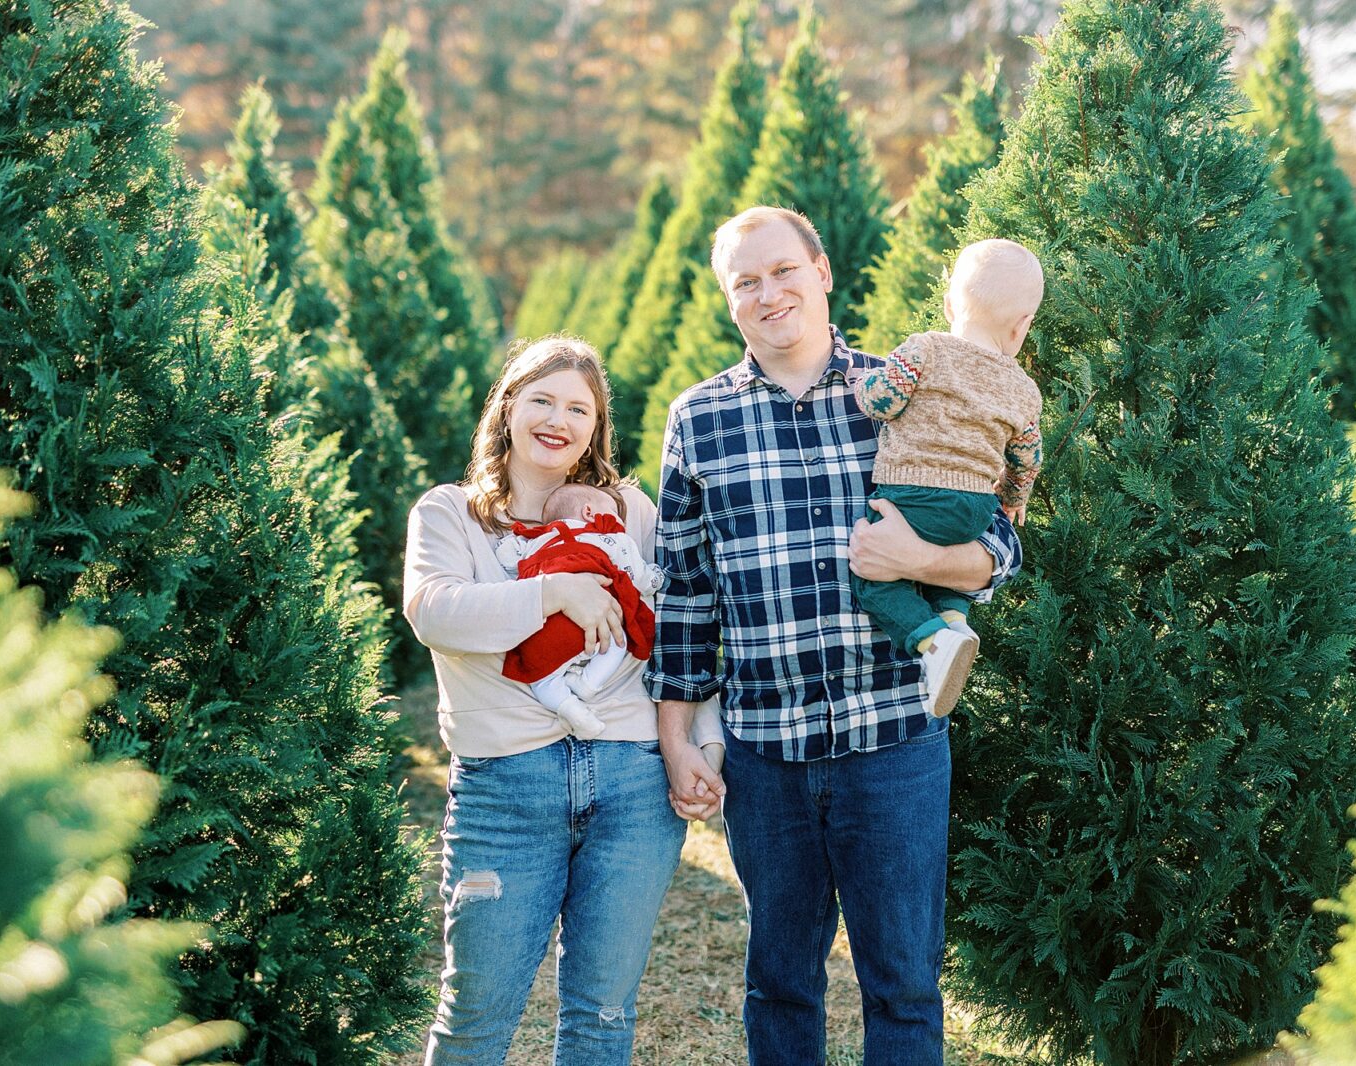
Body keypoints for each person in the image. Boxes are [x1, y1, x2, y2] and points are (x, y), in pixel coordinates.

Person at [648, 206, 1023, 1066]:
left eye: (784, 270)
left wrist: (925, 558)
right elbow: (685, 593)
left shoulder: (906, 387)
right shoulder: (699, 419)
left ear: (821, 272)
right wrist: (677, 740)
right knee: (780, 983)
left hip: (894, 741)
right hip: (765, 755)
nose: (768, 293)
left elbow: (1001, 537)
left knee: (904, 987)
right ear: (728, 299)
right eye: (746, 281)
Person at [404, 336, 690, 1065]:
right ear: (507, 408)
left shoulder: (629, 510)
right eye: (541, 400)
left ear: (597, 428)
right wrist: (553, 591)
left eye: (578, 409)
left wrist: (702, 744)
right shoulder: (451, 514)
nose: (558, 420)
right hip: (506, 789)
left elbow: (679, 633)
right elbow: (434, 611)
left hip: (632, 784)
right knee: (475, 1016)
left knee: (603, 1013)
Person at [849, 238, 1044, 717]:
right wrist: (1013, 497)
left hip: (912, 496)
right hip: (975, 508)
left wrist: (861, 385)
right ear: (1022, 326)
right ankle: (955, 620)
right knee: (944, 561)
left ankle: (933, 643)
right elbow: (1027, 457)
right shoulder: (1024, 389)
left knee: (874, 580)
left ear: (950, 305)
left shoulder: (926, 349)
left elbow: (881, 402)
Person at [495, 482, 665, 740]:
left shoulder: (536, 539)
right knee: (619, 642)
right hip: (596, 630)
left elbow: (506, 557)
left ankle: (569, 708)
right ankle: (586, 684)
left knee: (541, 679)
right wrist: (656, 577)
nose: (619, 520)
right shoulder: (611, 539)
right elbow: (638, 577)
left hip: (544, 632)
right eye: (613, 513)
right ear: (589, 512)